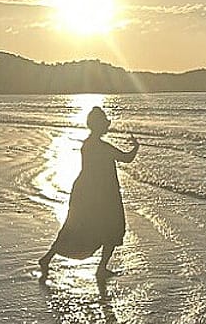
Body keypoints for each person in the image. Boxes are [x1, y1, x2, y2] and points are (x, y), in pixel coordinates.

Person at [39, 106, 139, 281]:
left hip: (84, 191)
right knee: (111, 227)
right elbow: (127, 158)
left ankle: (47, 258)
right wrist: (136, 147)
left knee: (75, 228)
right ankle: (101, 269)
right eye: (104, 123)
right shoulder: (102, 147)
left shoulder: (87, 144)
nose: (107, 127)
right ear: (100, 126)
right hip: (102, 195)